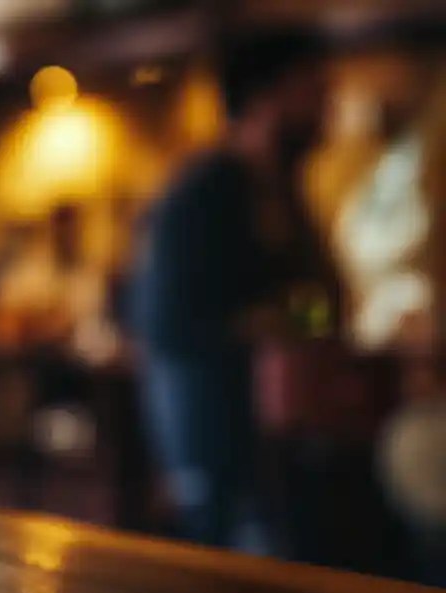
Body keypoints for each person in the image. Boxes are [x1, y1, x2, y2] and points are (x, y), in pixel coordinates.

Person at [130, 31, 335, 549]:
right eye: (316, 90)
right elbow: (159, 321)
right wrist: (266, 323)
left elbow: (322, 302)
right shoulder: (200, 194)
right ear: (268, 96)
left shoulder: (283, 192)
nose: (328, 108)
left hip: (282, 441)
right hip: (213, 439)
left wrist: (296, 321)